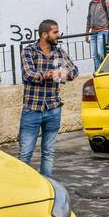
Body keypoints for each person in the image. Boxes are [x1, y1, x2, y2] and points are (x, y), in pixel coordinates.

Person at [18, 19, 78, 176]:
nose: (58, 35)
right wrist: (45, 75)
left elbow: (74, 71)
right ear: (45, 34)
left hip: (53, 109)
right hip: (32, 109)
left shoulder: (59, 53)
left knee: (48, 153)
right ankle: (20, 188)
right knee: (25, 154)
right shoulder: (29, 51)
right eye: (55, 32)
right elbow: (27, 74)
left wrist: (57, 74)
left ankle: (47, 186)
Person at [86, 0, 109, 69]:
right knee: (94, 56)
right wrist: (87, 33)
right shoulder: (91, 3)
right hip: (93, 32)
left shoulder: (106, 1)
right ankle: (97, 73)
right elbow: (88, 18)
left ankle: (104, 71)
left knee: (101, 53)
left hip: (103, 31)